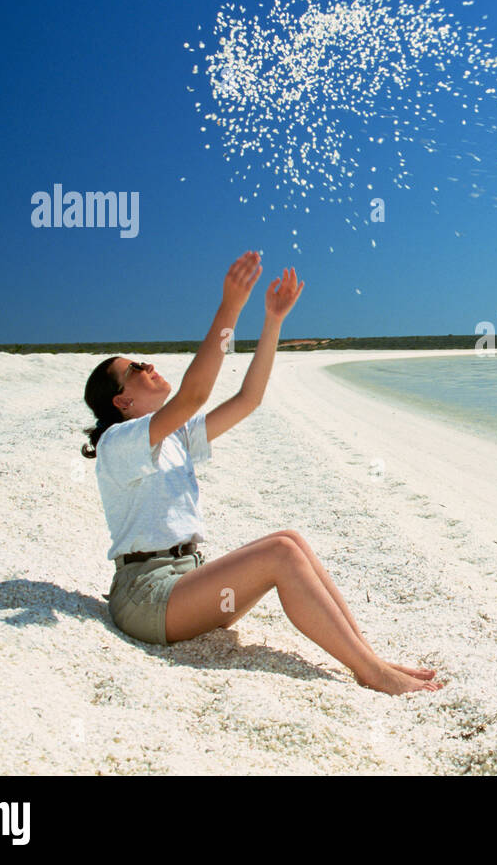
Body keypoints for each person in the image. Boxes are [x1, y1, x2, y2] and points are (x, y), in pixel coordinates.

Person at [79, 251, 442, 695]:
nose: (149, 365)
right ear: (120, 401)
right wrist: (230, 305)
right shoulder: (120, 444)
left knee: (291, 540)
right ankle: (370, 671)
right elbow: (194, 395)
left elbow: (249, 399)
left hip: (188, 580)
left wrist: (272, 320)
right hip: (148, 598)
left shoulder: (174, 439)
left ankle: (368, 655)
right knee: (281, 557)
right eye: (136, 368)